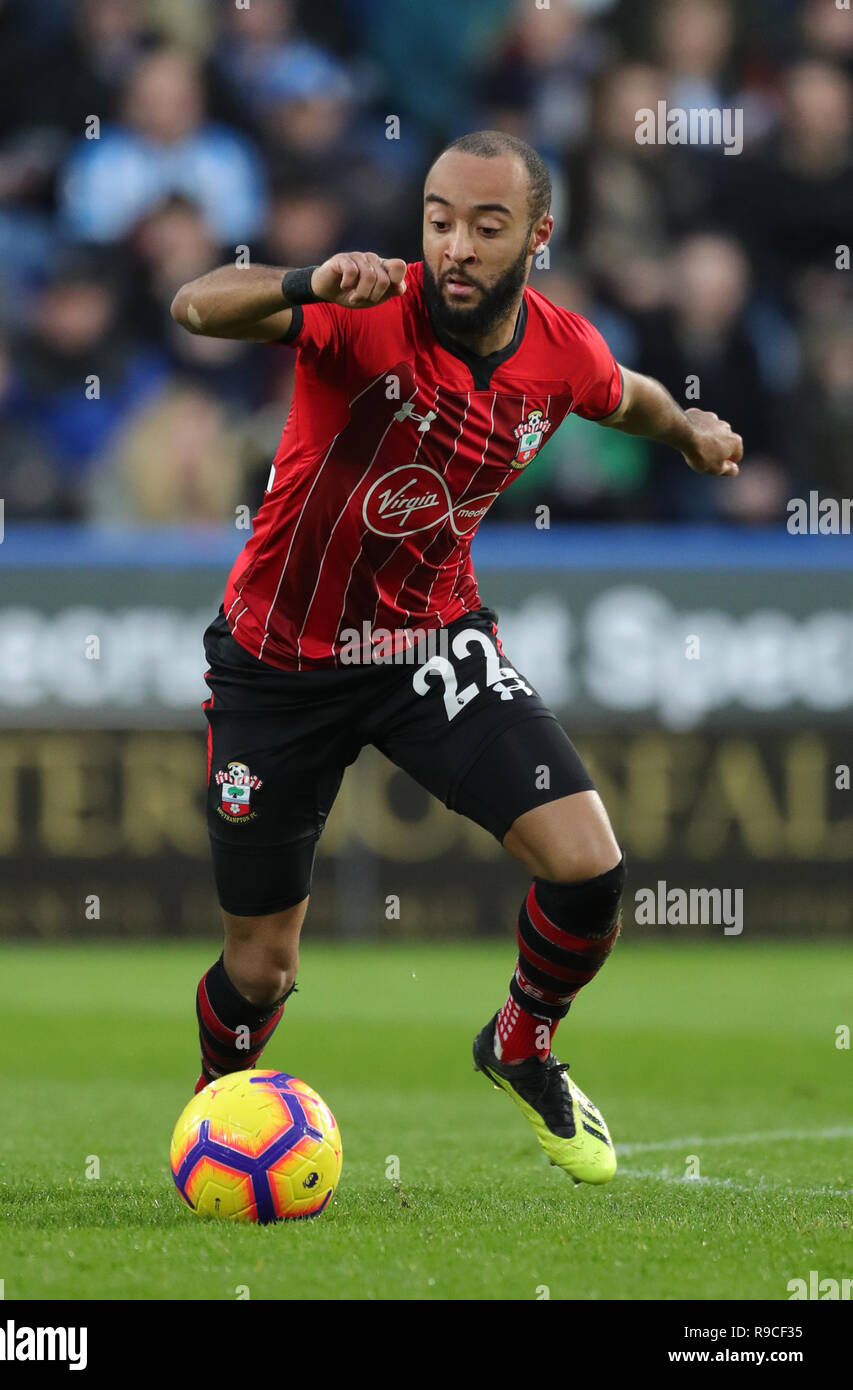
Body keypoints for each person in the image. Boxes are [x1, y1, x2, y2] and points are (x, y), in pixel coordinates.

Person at [170, 130, 742, 1186]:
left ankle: (520, 1044)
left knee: (590, 867)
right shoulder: (358, 312)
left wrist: (689, 434)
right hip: (278, 662)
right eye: (439, 220)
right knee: (263, 968)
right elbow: (195, 307)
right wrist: (304, 277)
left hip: (426, 642)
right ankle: (218, 1111)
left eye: (485, 225)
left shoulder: (558, 349)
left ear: (537, 234)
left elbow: (630, 394)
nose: (456, 247)